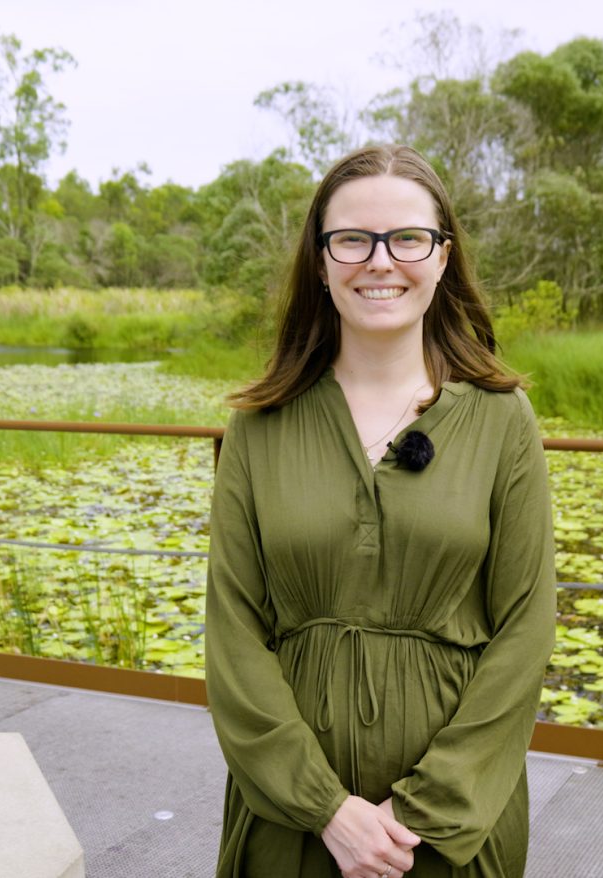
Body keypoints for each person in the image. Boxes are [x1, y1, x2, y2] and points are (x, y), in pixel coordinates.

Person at [205, 143, 556, 878]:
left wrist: (420, 813)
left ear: (442, 256)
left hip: (449, 833)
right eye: (353, 239)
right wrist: (326, 810)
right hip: (291, 824)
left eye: (407, 238)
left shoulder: (501, 421)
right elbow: (233, 634)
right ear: (322, 258)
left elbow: (525, 629)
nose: (380, 261)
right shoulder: (259, 427)